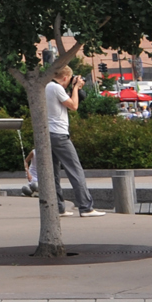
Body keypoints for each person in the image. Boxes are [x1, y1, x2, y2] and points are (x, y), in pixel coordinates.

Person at [42, 62, 99, 217]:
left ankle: (59, 208)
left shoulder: (47, 87)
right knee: (75, 170)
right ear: (66, 77)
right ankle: (86, 207)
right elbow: (74, 106)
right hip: (59, 135)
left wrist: (74, 88)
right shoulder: (57, 88)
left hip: (49, 134)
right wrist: (75, 88)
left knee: (53, 173)